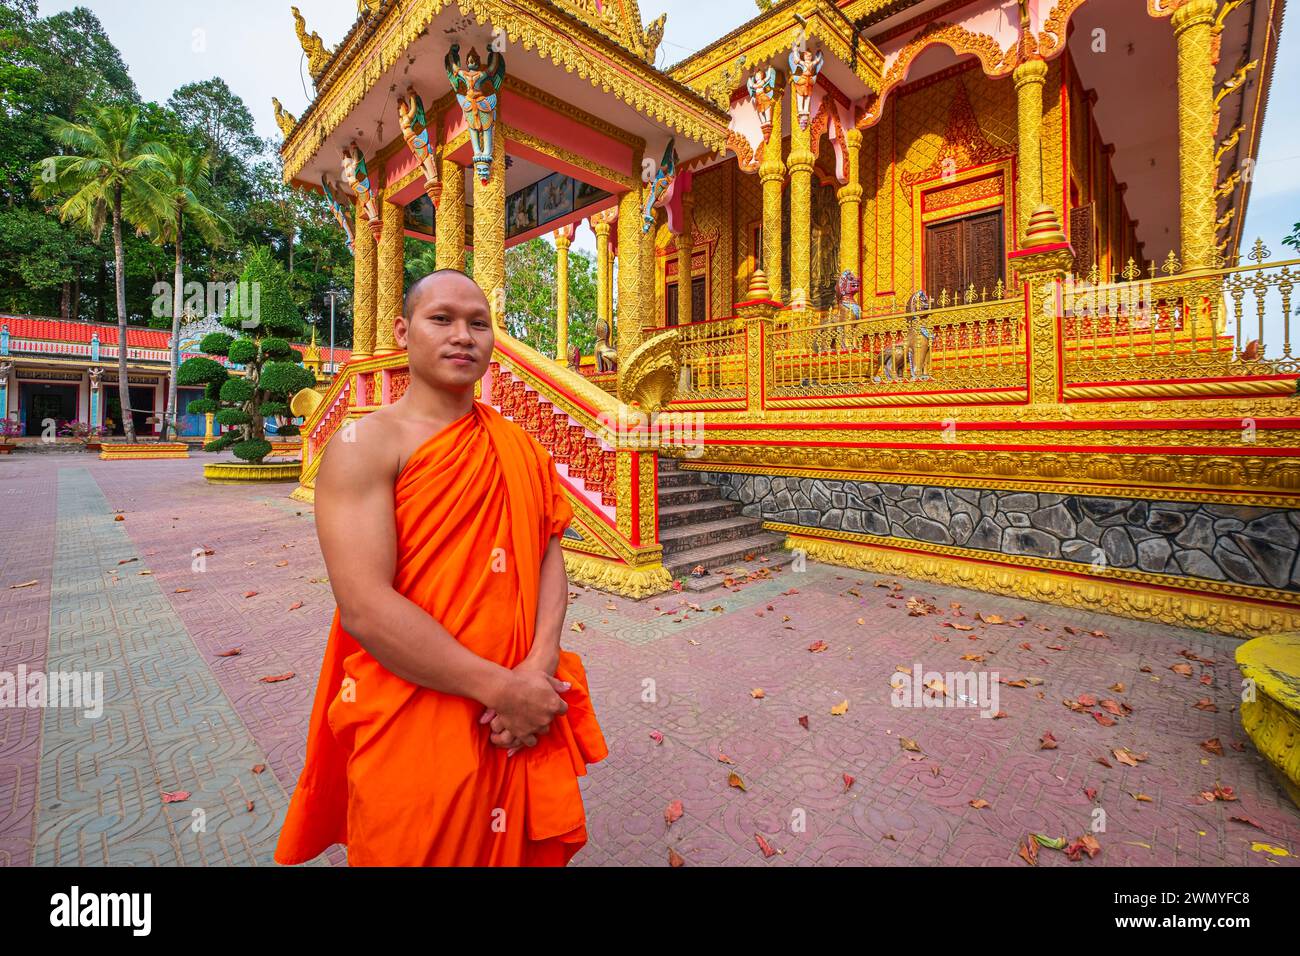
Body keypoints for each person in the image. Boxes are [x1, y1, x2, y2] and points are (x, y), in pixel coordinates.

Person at [275, 269, 607, 867]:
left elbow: (548, 560)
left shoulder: (520, 444)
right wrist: (504, 690)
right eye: (442, 319)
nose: (463, 336)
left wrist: (538, 667)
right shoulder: (366, 446)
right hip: (419, 706)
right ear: (403, 331)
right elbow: (367, 608)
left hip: (519, 707)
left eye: (479, 324)